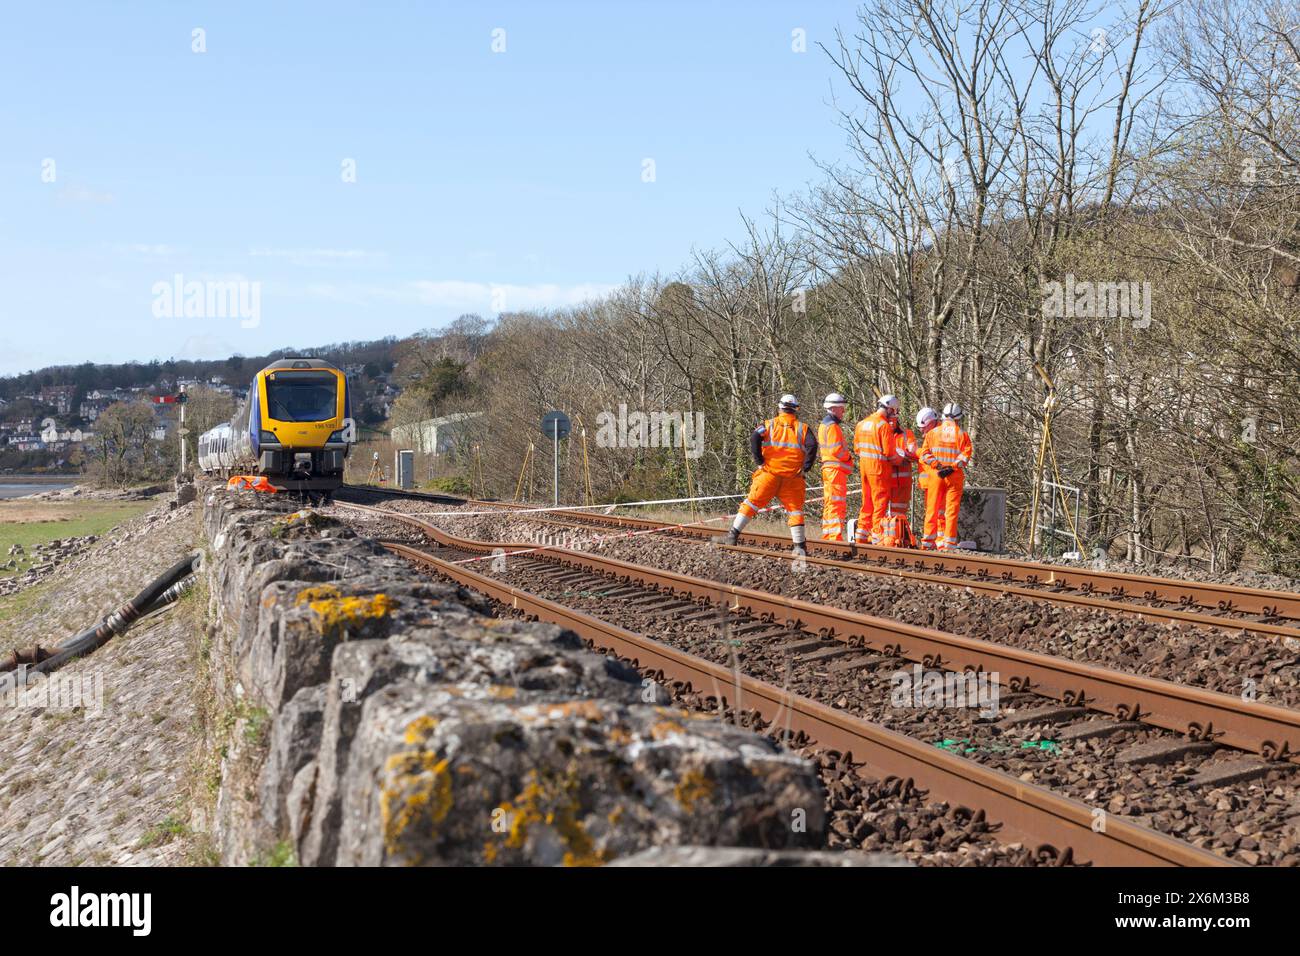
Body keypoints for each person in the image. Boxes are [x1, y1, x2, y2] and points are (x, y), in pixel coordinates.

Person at [717, 394, 818, 556]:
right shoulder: (803, 428)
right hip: (792, 477)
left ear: (780, 408)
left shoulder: (768, 425)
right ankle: (799, 547)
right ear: (795, 410)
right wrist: (805, 467)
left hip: (769, 474)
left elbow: (754, 437)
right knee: (795, 510)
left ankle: (732, 536)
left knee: (751, 503)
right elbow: (812, 446)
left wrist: (759, 461)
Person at [920, 402, 974, 551]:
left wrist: (938, 465)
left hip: (936, 476)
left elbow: (924, 455)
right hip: (954, 477)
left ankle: (927, 543)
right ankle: (948, 544)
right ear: (958, 419)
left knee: (932, 509)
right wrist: (952, 467)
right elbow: (965, 457)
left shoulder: (932, 433)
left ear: (943, 417)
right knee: (951, 511)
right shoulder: (962, 435)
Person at [853, 395, 905, 546]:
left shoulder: (861, 424)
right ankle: (877, 538)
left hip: (864, 469)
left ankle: (861, 536)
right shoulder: (883, 426)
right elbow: (890, 453)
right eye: (893, 411)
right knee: (880, 504)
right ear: (889, 409)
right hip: (879, 470)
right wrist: (901, 458)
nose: (894, 414)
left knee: (867, 502)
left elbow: (857, 448)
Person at [817, 392, 852, 541]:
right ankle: (834, 536)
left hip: (830, 469)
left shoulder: (825, 425)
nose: (843, 411)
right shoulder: (832, 427)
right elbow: (837, 450)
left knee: (830, 502)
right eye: (841, 408)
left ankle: (829, 534)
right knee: (836, 502)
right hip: (835, 470)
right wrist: (849, 457)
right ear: (833, 408)